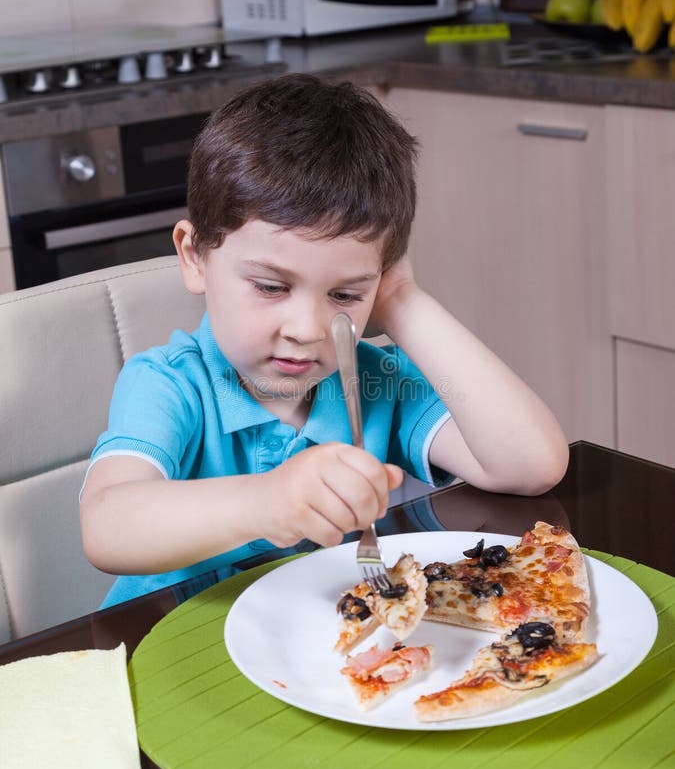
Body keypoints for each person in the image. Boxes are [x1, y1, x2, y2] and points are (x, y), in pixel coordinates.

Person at [80, 73, 569, 607]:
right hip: (167, 656)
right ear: (195, 256)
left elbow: (532, 465)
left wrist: (403, 301)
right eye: (270, 286)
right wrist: (268, 501)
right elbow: (107, 525)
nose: (308, 329)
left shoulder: (373, 379)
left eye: (344, 295)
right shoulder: (171, 383)